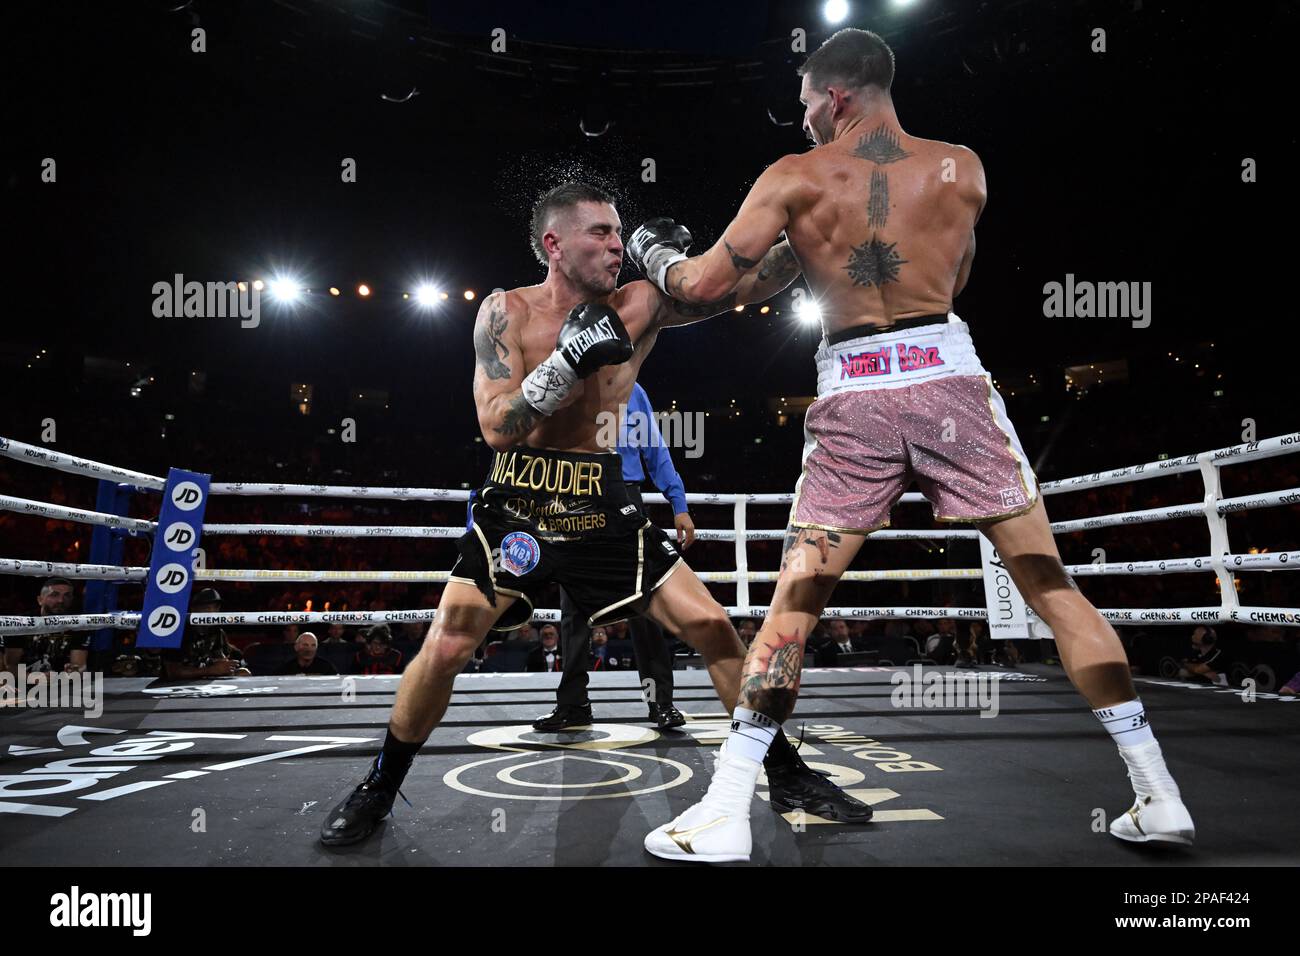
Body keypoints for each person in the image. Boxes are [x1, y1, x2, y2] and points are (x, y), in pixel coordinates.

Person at [630, 28, 1193, 861]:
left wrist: (654, 251)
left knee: (793, 606)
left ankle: (723, 815)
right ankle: (1159, 792)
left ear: (839, 96)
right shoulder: (961, 167)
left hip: (857, 393)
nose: (807, 121)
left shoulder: (795, 175)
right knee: (1051, 586)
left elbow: (708, 285)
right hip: (950, 380)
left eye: (808, 105)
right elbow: (952, 279)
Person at [319, 181, 868, 848]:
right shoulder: (505, 312)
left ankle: (781, 771)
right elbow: (497, 427)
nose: (617, 245)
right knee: (449, 644)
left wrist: (809, 234)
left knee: (714, 627)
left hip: (603, 498)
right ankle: (380, 784)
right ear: (554, 245)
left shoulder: (639, 302)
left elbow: (738, 282)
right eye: (601, 234)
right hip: (519, 496)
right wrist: (567, 360)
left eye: (618, 233)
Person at [533, 381, 693, 731]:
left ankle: (659, 703)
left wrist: (677, 502)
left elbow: (655, 449)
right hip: (573, 494)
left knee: (644, 602)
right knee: (573, 608)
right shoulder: (565, 383)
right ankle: (573, 704)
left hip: (623, 494)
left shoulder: (634, 390)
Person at [1, 577, 88, 678]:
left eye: (67, 595)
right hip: (22, 684)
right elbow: (10, 666)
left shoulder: (78, 625)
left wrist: (73, 671)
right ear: (40, 600)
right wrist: (34, 678)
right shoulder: (20, 623)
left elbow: (80, 665)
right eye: (54, 595)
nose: (61, 600)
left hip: (61, 685)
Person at [161, 588, 251, 680]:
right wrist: (212, 670)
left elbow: (220, 661)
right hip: (175, 685)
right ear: (194, 609)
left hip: (205, 681)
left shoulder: (216, 631)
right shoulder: (178, 632)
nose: (212, 612)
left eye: (215, 607)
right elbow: (172, 672)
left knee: (244, 673)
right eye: (206, 608)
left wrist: (226, 667)